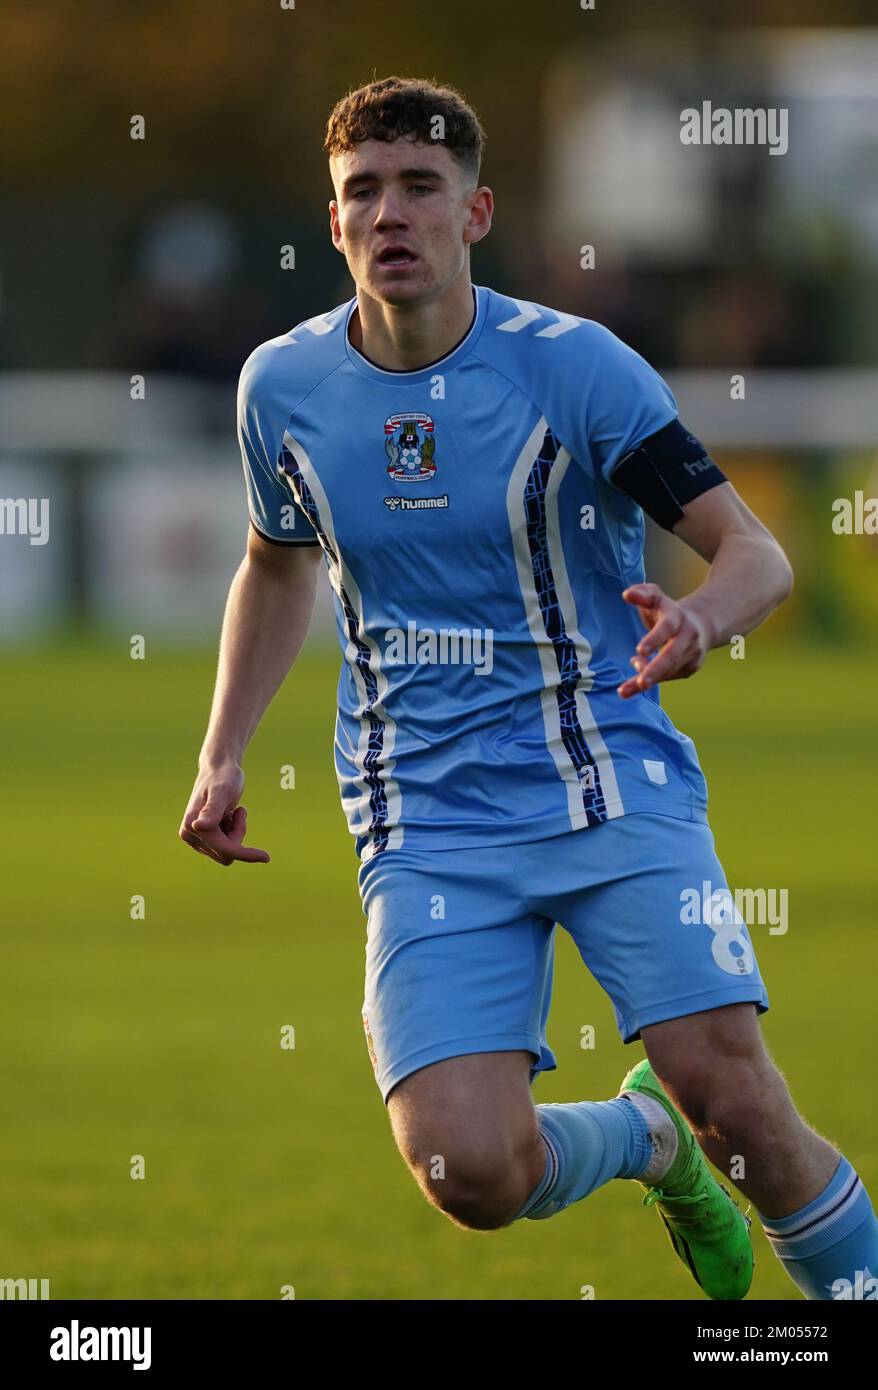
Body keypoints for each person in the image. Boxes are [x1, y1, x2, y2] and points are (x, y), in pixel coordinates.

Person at [180, 75, 878, 1300]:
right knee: (467, 1169)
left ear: (476, 212)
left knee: (731, 1099)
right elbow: (275, 563)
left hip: (603, 773)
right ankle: (645, 1141)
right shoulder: (278, 388)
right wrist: (222, 749)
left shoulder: (574, 369)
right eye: (362, 192)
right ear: (332, 222)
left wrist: (698, 620)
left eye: (419, 187)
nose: (390, 214)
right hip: (425, 817)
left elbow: (753, 554)